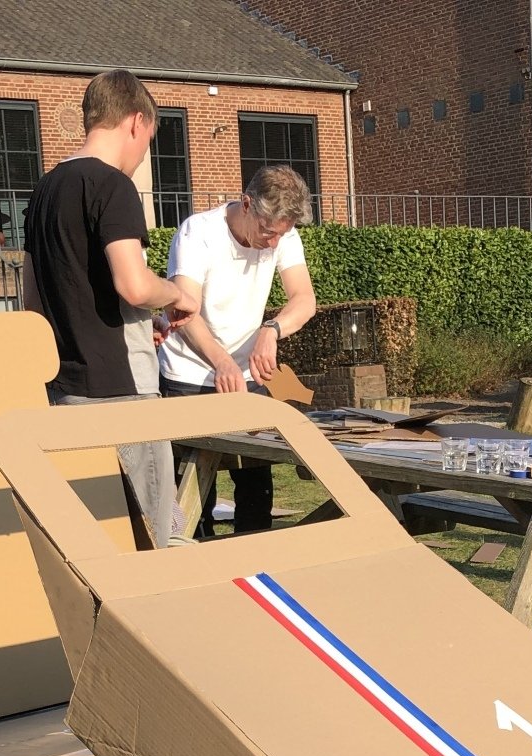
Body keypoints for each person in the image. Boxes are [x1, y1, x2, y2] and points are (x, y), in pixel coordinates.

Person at [23, 69, 191, 546]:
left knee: (93, 540)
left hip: (64, 389)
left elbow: (32, 303)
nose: (144, 154)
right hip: (123, 393)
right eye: (150, 139)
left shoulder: (44, 192)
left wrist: (141, 323)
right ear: (136, 122)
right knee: (156, 534)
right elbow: (134, 286)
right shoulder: (113, 187)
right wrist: (178, 294)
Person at [157, 165, 317, 534]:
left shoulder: (282, 234)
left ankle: (257, 570)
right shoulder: (198, 233)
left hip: (247, 382)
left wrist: (272, 329)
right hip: (189, 378)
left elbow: (304, 299)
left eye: (282, 234)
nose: (272, 243)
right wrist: (221, 360)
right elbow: (181, 311)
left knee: (256, 488)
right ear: (246, 204)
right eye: (267, 231)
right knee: (196, 498)